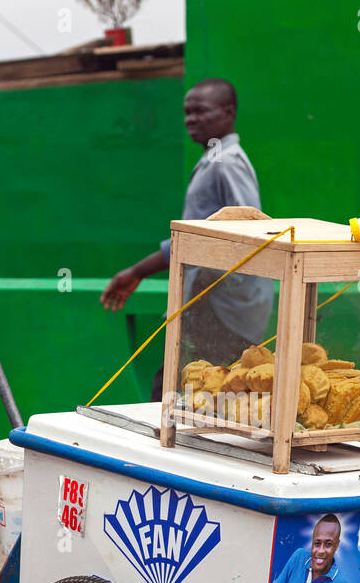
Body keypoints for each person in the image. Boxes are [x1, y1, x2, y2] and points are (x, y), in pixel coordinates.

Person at [100, 78, 273, 398]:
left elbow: (245, 227)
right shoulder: (214, 159)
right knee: (185, 390)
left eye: (200, 111)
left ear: (228, 112)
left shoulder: (227, 163)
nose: (190, 120)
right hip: (210, 303)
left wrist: (140, 271)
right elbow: (195, 236)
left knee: (186, 392)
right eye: (186, 112)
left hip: (221, 308)